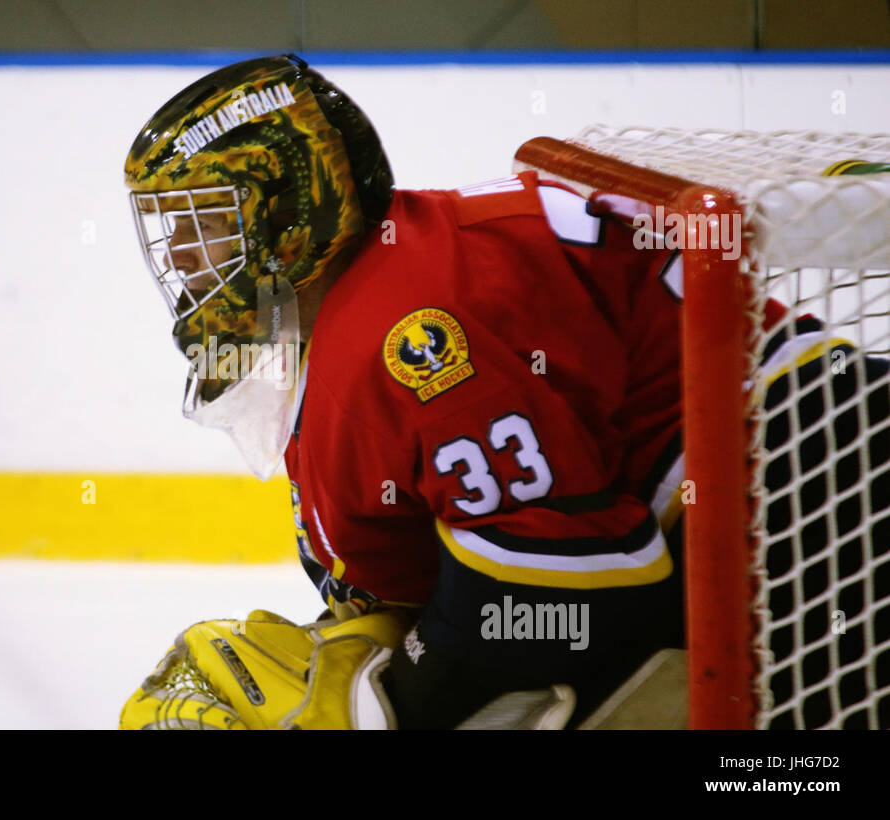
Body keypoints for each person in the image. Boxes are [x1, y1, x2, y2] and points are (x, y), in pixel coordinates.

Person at [117, 54, 888, 730]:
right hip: (761, 497)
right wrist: (374, 655)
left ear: (288, 212)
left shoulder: (407, 331)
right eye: (171, 236)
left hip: (825, 483)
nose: (185, 263)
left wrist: (392, 704)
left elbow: (575, 591)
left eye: (204, 227)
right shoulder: (367, 304)